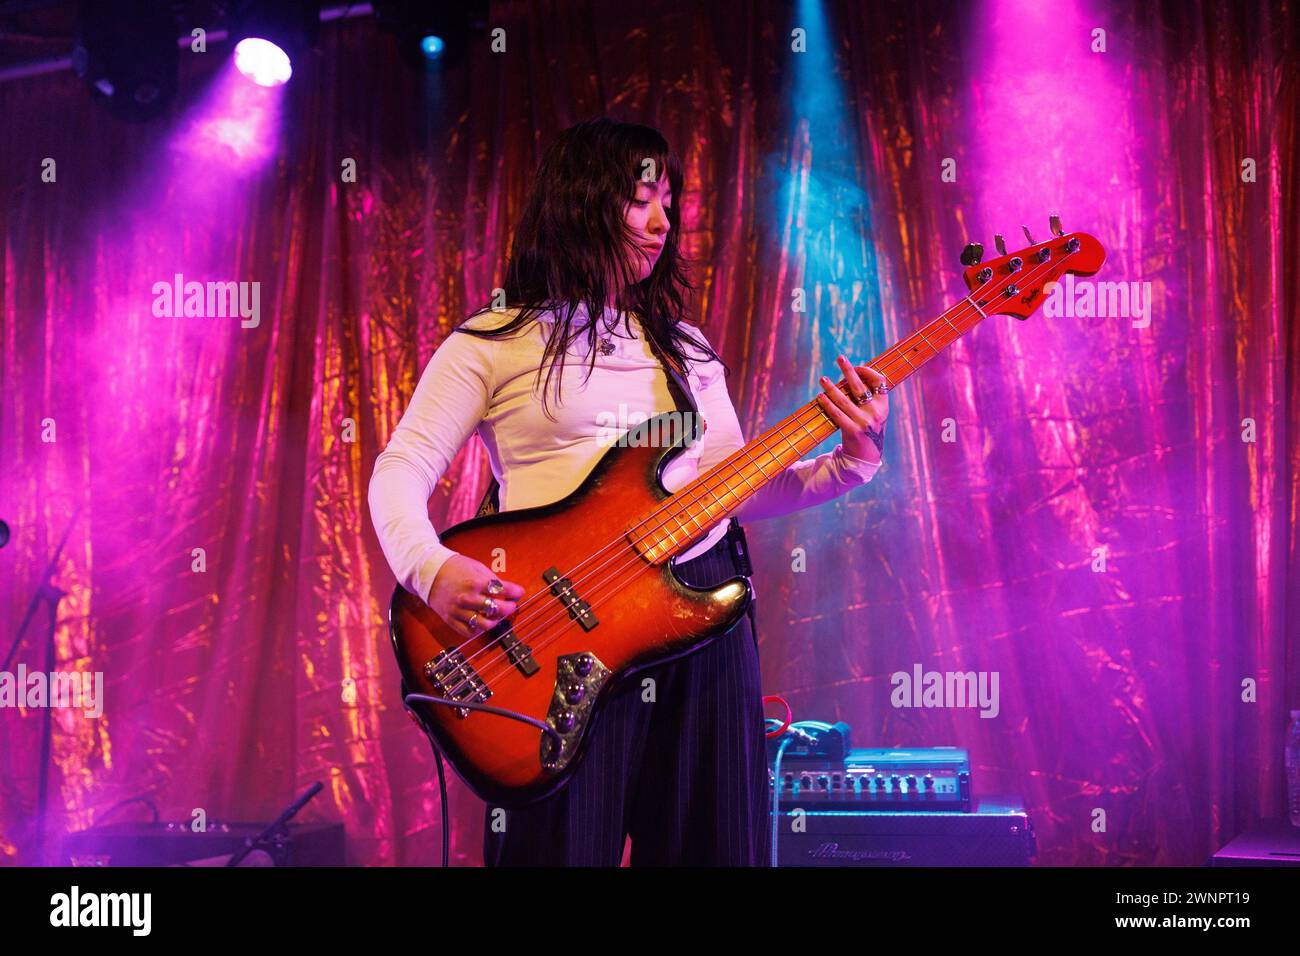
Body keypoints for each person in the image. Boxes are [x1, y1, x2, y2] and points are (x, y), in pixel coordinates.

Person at [368, 117, 890, 866]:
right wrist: (431, 568)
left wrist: (856, 458)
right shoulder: (495, 341)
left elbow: (732, 489)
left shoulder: (687, 350)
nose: (662, 223)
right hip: (559, 622)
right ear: (585, 200)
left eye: (670, 206)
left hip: (699, 615)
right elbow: (400, 468)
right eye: (644, 200)